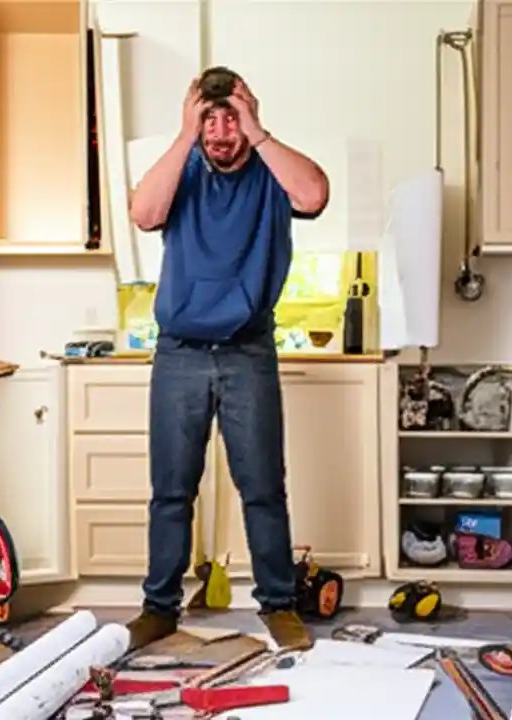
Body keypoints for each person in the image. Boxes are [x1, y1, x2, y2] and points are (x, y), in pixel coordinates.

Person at [124, 69, 330, 651]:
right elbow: (144, 214)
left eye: (230, 118)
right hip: (180, 353)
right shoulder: (183, 169)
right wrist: (184, 135)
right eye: (209, 119)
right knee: (171, 490)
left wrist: (258, 131)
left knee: (263, 487)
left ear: (249, 117)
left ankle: (279, 605)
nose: (220, 132)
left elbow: (313, 195)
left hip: (248, 352)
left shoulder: (269, 171)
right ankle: (159, 608)